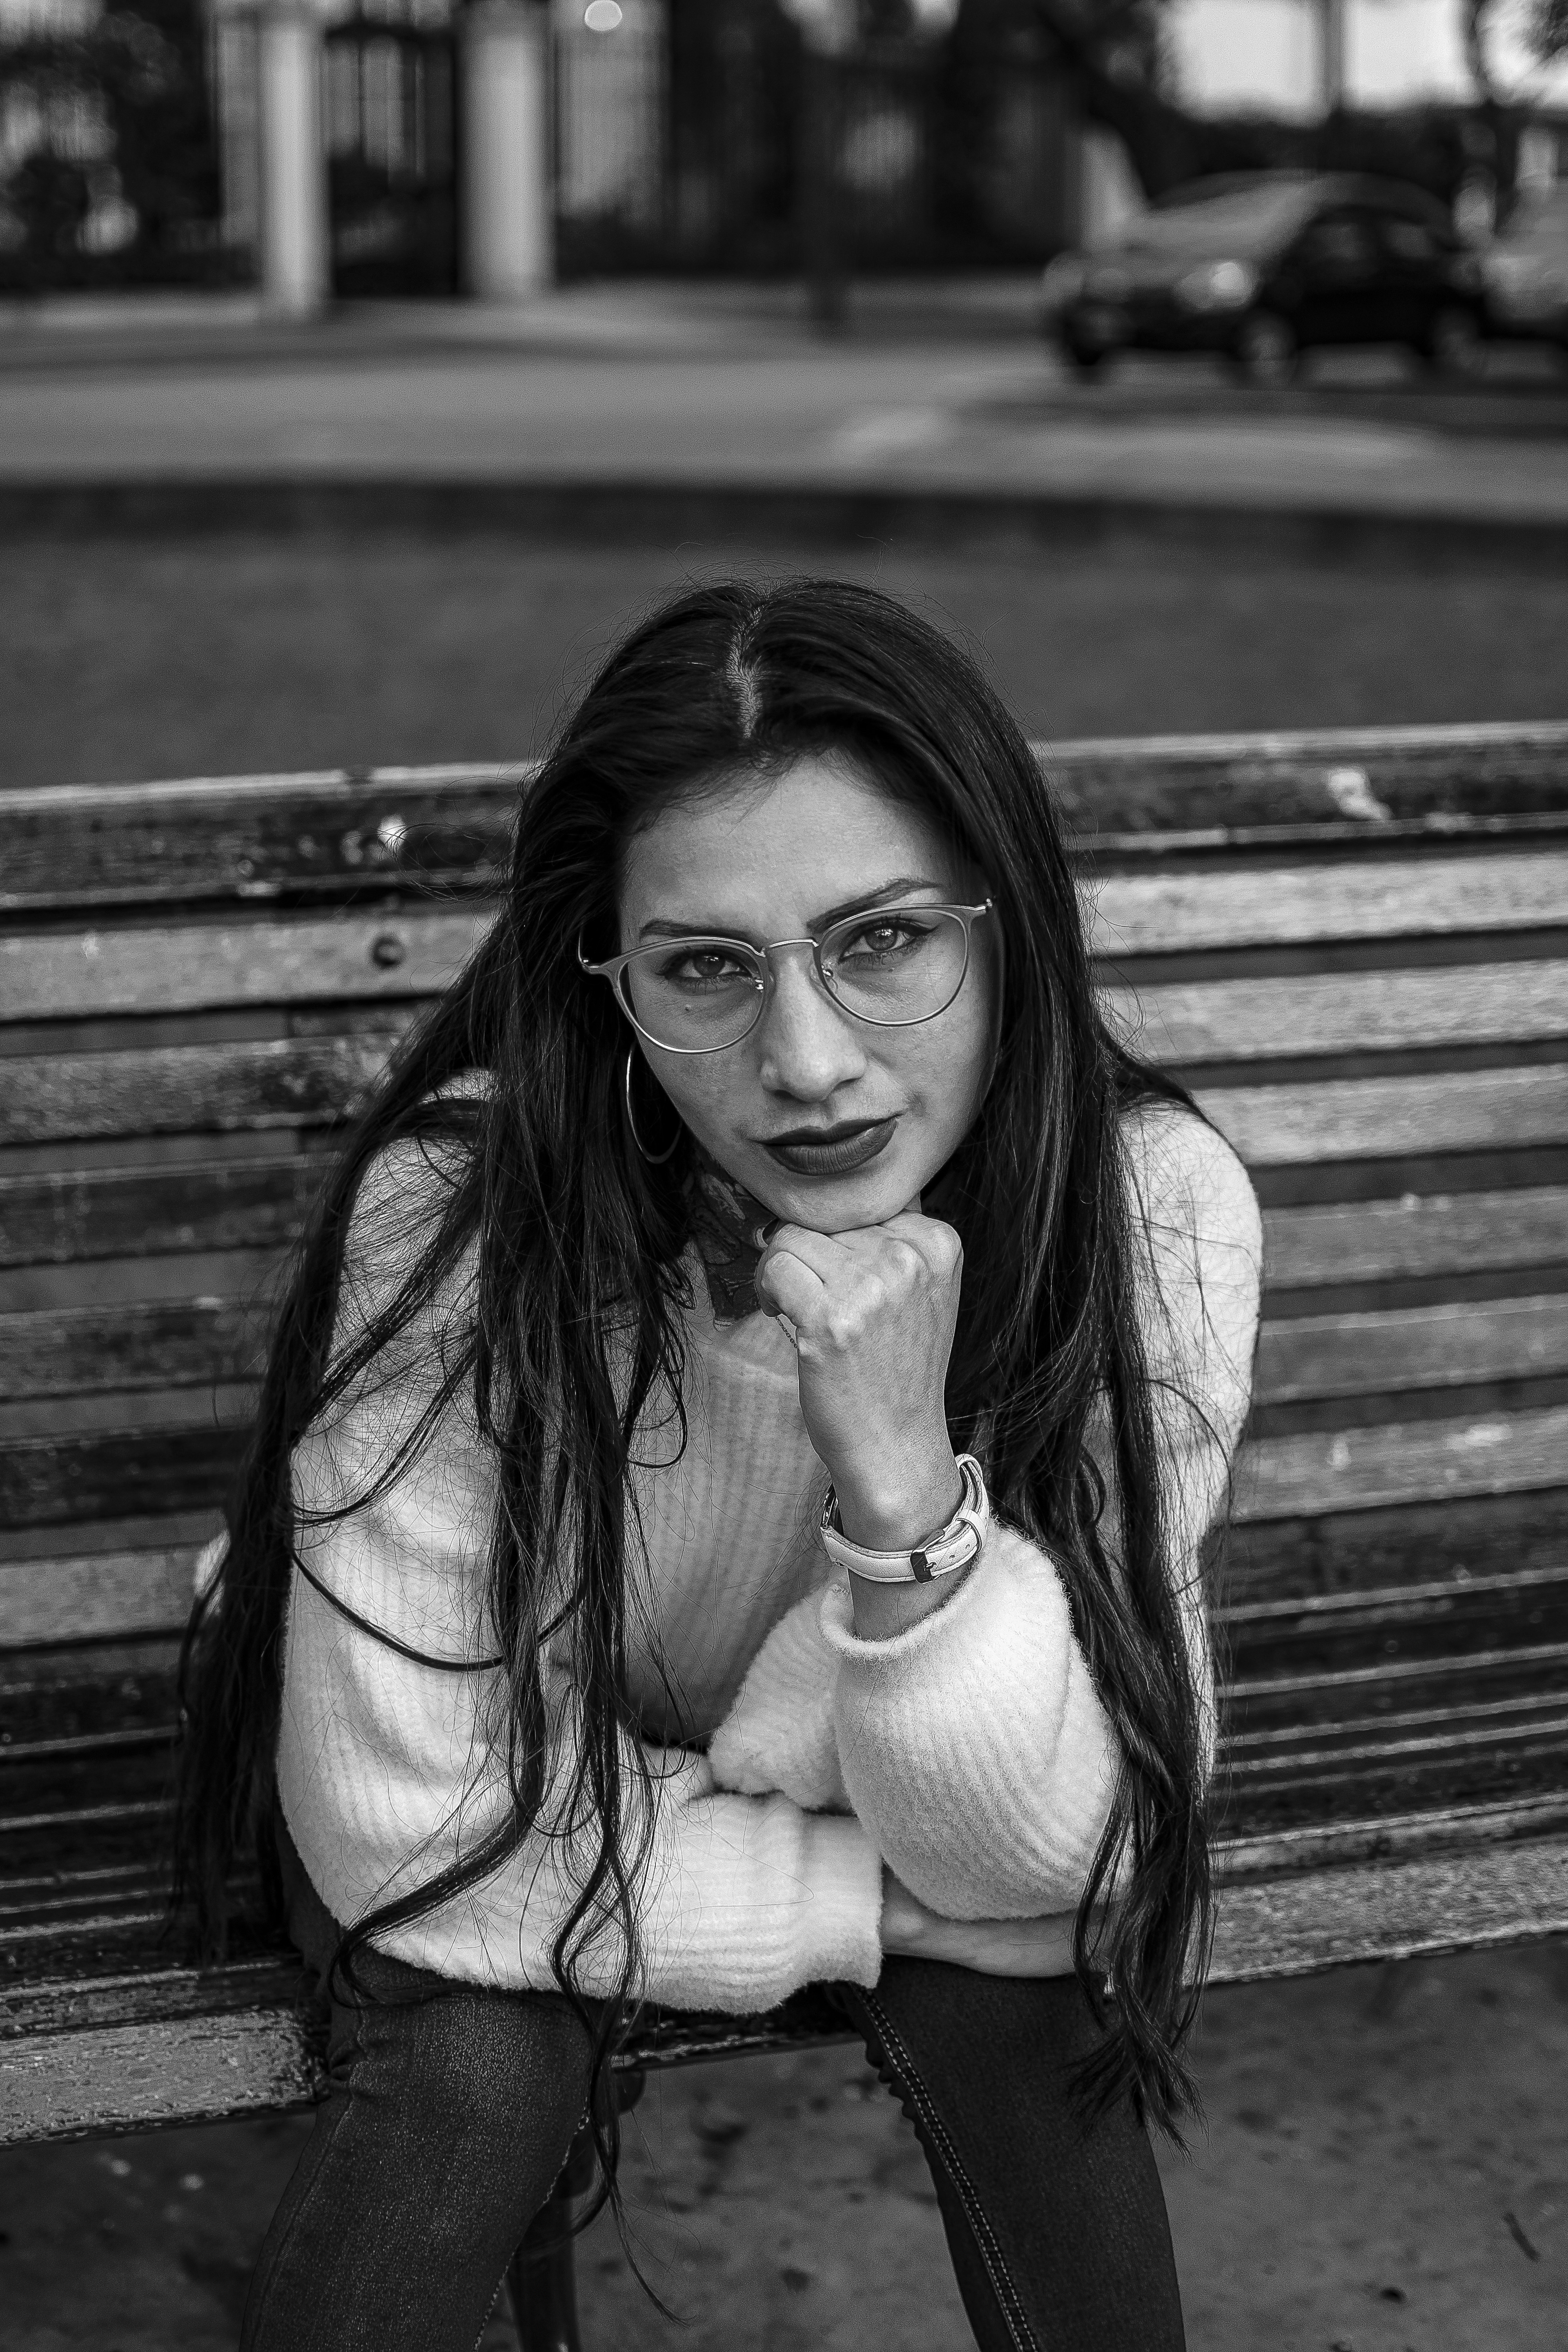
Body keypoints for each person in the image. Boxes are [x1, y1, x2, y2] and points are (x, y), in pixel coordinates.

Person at [174, 577, 1261, 2352]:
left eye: (886, 938)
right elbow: (410, 1827)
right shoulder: (465, 1220)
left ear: (1007, 926)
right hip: (434, 1741)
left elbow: (1073, 1833)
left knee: (1031, 2015)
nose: (808, 1063)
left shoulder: (1145, 1213)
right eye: (705, 966)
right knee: (471, 2041)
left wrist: (903, 1492)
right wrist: (872, 1903)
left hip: (773, 1783)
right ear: (608, 977)